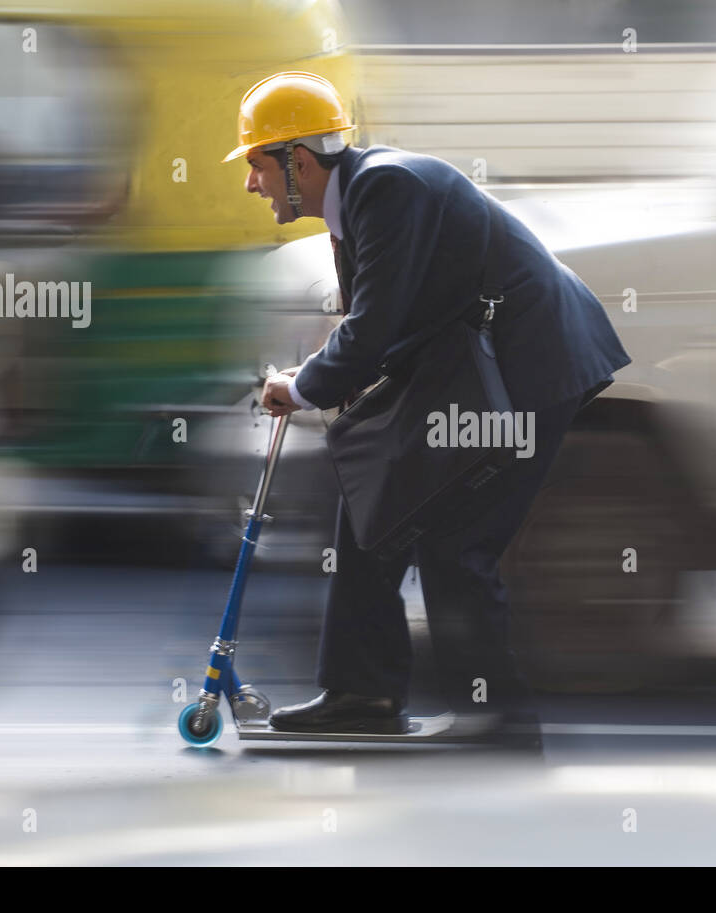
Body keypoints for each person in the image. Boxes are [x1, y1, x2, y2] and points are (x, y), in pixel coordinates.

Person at [222, 72, 630, 739]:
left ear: (297, 161)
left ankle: (495, 715)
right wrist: (317, 376)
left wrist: (301, 388)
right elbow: (379, 325)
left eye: (255, 164)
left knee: (455, 543)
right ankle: (362, 695)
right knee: (373, 515)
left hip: (528, 376)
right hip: (479, 377)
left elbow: (373, 328)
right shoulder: (362, 201)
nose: (249, 183)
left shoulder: (387, 188)